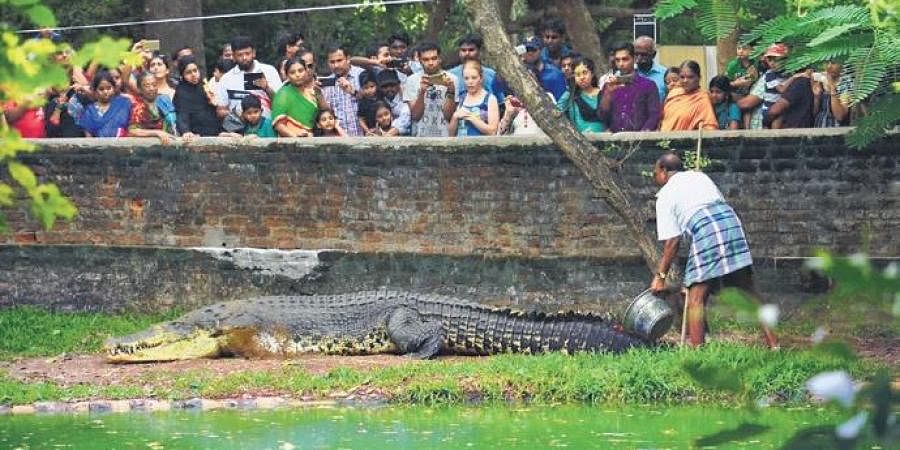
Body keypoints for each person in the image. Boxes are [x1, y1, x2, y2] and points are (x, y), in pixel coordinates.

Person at [649, 153, 778, 349]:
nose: (655, 177)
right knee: (749, 290)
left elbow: (672, 242)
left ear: (664, 171)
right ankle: (774, 344)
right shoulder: (700, 176)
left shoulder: (665, 195)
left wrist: (660, 276)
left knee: (695, 298)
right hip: (731, 223)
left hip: (708, 229)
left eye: (655, 172)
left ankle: (698, 353)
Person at [215, 36, 283, 132]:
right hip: (239, 133)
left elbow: (281, 104)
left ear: (254, 53)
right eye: (240, 55)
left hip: (268, 131)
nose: (244, 58)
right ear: (233, 57)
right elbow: (220, 111)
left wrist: (267, 88)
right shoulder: (226, 79)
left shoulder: (269, 71)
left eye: (247, 53)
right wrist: (238, 114)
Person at [597, 42, 660, 132]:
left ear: (634, 59)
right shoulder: (609, 85)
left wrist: (642, 136)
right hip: (614, 140)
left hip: (641, 140)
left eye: (625, 59)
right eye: (617, 60)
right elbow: (602, 116)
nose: (621, 64)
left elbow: (654, 115)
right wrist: (608, 93)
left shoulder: (648, 85)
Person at [402, 41, 456, 137]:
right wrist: (422, 92)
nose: (430, 63)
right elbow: (415, 116)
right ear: (419, 60)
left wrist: (451, 91)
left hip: (446, 137)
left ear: (440, 58)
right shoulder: (411, 80)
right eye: (426, 59)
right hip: (420, 137)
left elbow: (449, 116)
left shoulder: (452, 79)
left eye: (434, 58)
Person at [271, 57, 328, 137]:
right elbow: (278, 125)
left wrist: (319, 95)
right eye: (292, 72)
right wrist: (296, 137)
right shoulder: (283, 94)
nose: (297, 75)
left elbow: (326, 113)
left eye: (300, 71)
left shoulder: (313, 92)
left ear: (306, 71)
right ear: (287, 75)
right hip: (291, 142)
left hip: (313, 138)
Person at [660, 60, 718, 131]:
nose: (685, 80)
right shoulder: (673, 94)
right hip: (663, 139)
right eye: (682, 77)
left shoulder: (702, 98)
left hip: (684, 141)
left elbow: (709, 128)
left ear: (699, 78)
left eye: (690, 77)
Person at [320, 45, 365, 136]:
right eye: (332, 62)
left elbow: (372, 100)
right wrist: (318, 93)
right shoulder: (327, 82)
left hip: (363, 136)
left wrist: (353, 91)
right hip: (339, 139)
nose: (336, 65)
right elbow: (327, 112)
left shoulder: (361, 74)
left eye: (339, 60)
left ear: (348, 59)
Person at [448, 60, 499, 137]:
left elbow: (492, 131)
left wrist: (471, 117)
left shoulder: (490, 99)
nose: (470, 82)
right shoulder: (462, 98)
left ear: (481, 78)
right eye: (466, 78)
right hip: (461, 146)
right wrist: (455, 117)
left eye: (474, 78)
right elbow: (451, 135)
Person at [174, 56, 222, 138]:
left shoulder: (205, 86)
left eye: (195, 71)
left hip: (214, 131)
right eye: (188, 72)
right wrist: (186, 131)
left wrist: (213, 101)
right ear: (182, 75)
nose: (193, 75)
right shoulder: (181, 92)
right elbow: (182, 115)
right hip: (195, 135)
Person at [448, 34, 504, 102]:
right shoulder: (450, 75)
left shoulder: (491, 75)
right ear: (459, 52)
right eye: (463, 50)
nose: (467, 53)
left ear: (479, 51)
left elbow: (500, 102)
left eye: (471, 50)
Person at [74, 70, 131, 137]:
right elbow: (88, 137)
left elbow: (130, 127)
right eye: (101, 89)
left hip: (124, 145)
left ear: (114, 88)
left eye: (109, 88)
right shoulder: (90, 110)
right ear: (95, 91)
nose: (105, 92)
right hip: (99, 146)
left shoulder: (124, 104)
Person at [557, 57, 604, 133]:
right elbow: (556, 113)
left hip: (605, 140)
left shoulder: (604, 94)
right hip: (580, 141)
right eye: (578, 75)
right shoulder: (570, 95)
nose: (582, 77)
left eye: (585, 73)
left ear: (592, 74)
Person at [128, 72, 178, 143]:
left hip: (170, 143)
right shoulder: (138, 106)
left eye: (154, 85)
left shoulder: (164, 99)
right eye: (147, 86)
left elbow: (174, 123)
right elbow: (132, 131)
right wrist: (157, 133)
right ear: (140, 89)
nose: (151, 88)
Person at [520, 37, 567, 101]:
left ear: (541, 50)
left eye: (533, 50)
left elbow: (562, 102)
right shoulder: (518, 73)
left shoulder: (554, 75)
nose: (530, 53)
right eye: (527, 50)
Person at [813, 61, 850, 127]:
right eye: (827, 63)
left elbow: (839, 116)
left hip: (836, 131)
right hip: (819, 127)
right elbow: (814, 113)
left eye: (833, 63)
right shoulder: (821, 82)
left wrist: (832, 88)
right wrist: (817, 97)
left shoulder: (845, 84)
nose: (829, 66)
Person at [376, 69, 410, 135]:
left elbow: (405, 118)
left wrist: (388, 135)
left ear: (398, 85)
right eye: (385, 86)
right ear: (379, 88)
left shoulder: (405, 100)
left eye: (392, 85)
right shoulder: (379, 101)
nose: (389, 89)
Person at [634, 36, 668, 102]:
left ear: (653, 54)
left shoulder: (665, 74)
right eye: (636, 54)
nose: (639, 58)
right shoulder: (624, 74)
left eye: (643, 54)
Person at [357, 70, 380, 135]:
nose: (370, 90)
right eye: (366, 88)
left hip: (384, 129)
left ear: (377, 85)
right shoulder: (363, 102)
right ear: (361, 89)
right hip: (370, 131)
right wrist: (367, 131)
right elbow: (361, 119)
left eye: (372, 86)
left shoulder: (381, 98)